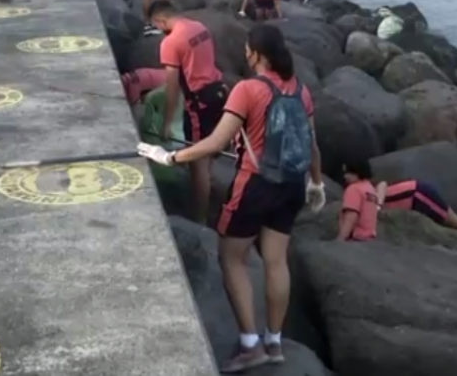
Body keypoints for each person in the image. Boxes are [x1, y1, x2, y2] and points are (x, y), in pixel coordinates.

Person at [137, 24, 325, 373]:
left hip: (254, 186)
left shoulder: (248, 89)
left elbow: (215, 142)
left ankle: (250, 344)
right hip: (292, 186)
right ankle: (274, 341)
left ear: (257, 54)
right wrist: (317, 184)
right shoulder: (302, 90)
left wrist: (170, 156)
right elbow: (312, 145)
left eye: (247, 50)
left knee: (231, 257)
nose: (244, 54)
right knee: (275, 259)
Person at [149, 0, 230, 224]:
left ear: (160, 20)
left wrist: (166, 123)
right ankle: (208, 200)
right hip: (218, 94)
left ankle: (200, 218)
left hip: (198, 104)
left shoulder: (171, 41)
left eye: (156, 25)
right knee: (209, 155)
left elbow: (172, 86)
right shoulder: (199, 28)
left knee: (198, 163)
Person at [377, 180, 457, 246]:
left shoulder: (366, 195)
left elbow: (382, 185)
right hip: (414, 200)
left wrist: (377, 206)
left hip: (417, 195)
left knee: (453, 221)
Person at [338, 158, 380, 242]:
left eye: (347, 172)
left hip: (356, 237)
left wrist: (341, 238)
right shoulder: (370, 189)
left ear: (357, 172)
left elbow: (351, 216)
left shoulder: (353, 189)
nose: (344, 176)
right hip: (369, 238)